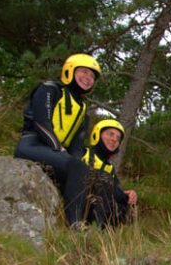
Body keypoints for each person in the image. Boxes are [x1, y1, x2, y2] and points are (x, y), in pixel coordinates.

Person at [14, 53, 99, 229]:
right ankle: (75, 223)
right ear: (70, 71)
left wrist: (73, 162)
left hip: (56, 154)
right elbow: (41, 123)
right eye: (84, 72)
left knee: (87, 174)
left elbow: (77, 147)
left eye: (92, 76)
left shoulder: (83, 111)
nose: (88, 78)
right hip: (32, 145)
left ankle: (93, 226)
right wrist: (59, 150)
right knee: (76, 167)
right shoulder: (50, 89)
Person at [81, 119, 138, 228]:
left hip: (96, 208)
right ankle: (97, 228)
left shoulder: (109, 168)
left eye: (118, 138)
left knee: (128, 200)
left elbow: (115, 191)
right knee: (104, 179)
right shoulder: (83, 153)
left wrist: (130, 194)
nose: (114, 140)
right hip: (79, 203)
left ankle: (109, 231)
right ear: (97, 134)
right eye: (110, 134)